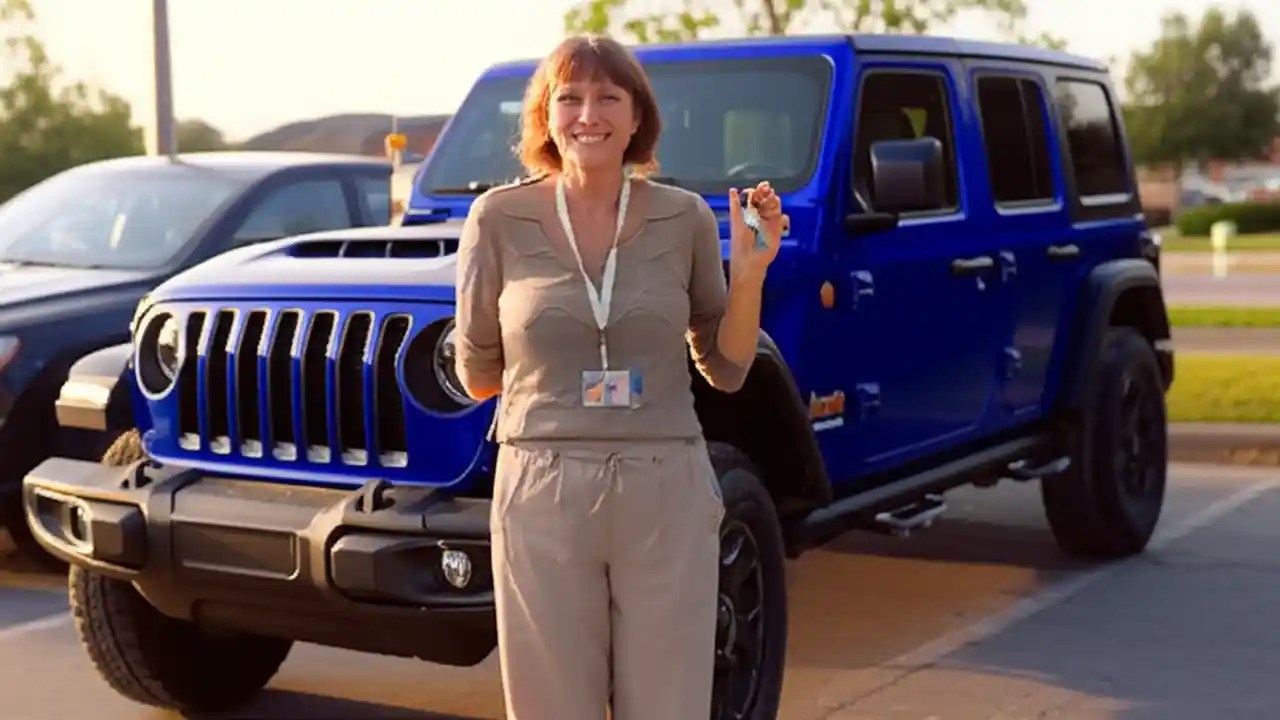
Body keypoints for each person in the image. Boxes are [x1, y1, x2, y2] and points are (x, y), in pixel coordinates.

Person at [452, 33, 784, 720]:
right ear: (544, 115)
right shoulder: (498, 220)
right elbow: (478, 371)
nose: (588, 114)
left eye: (609, 97)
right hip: (543, 486)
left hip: (665, 484)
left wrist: (750, 273)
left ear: (638, 119)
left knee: (669, 706)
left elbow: (725, 368)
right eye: (568, 97)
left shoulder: (684, 216)